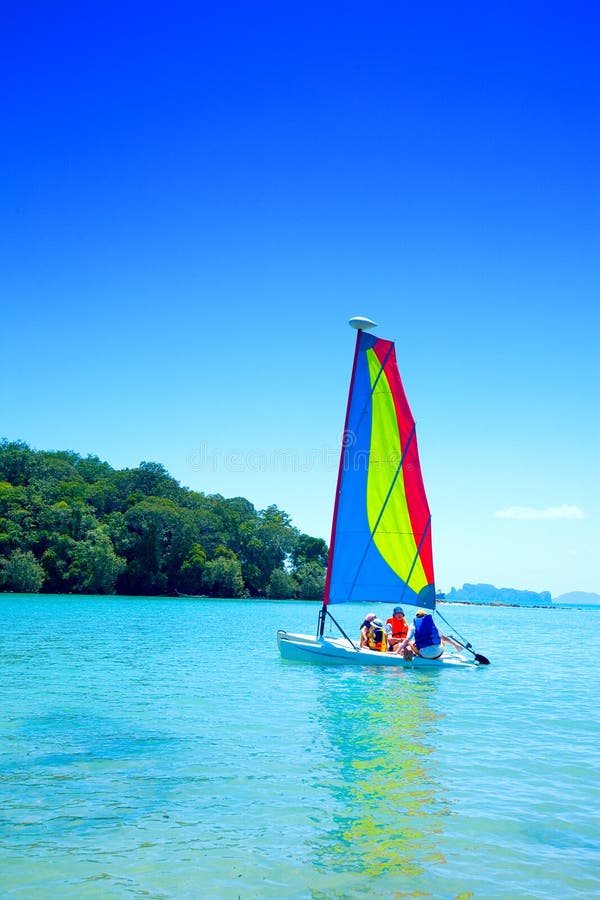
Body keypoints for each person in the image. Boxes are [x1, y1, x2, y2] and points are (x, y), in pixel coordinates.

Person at [397, 611, 462, 659]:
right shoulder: (432, 624)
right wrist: (456, 645)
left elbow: (407, 639)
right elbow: (444, 638)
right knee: (442, 641)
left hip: (425, 655)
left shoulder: (413, 624)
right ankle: (434, 652)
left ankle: (413, 654)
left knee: (410, 642)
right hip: (438, 654)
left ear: (416, 616)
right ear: (426, 616)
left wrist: (396, 652)